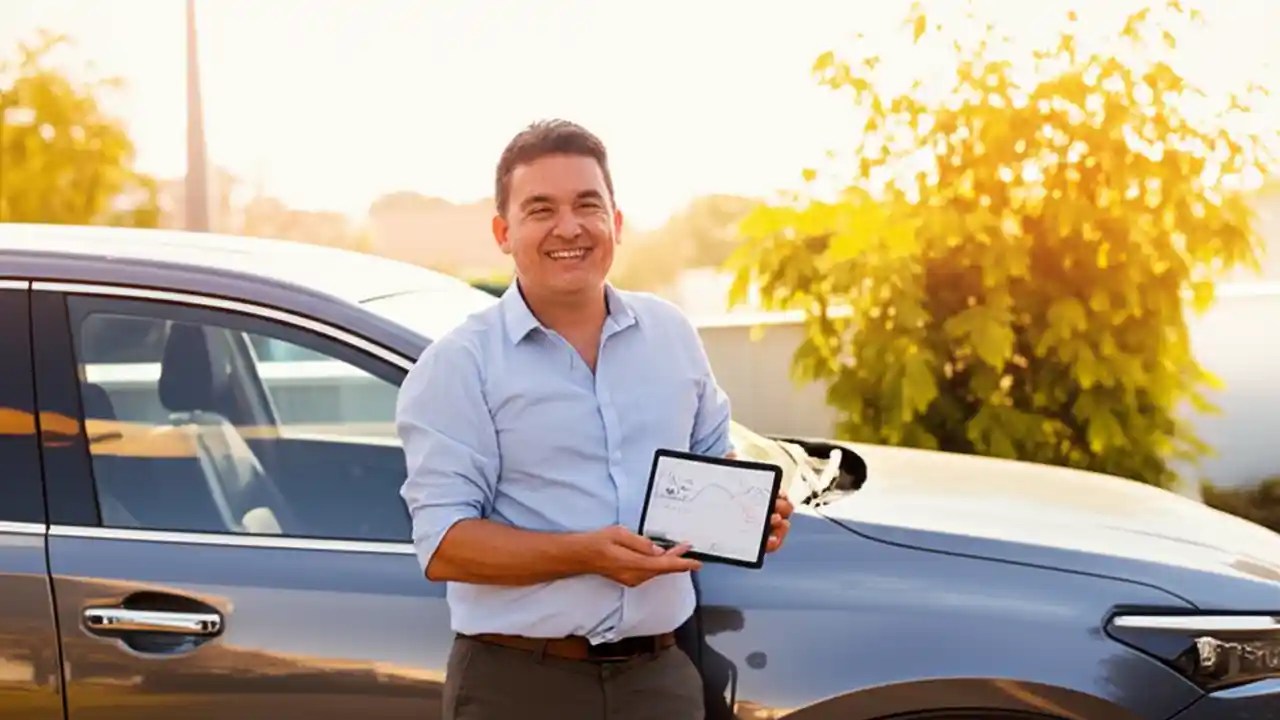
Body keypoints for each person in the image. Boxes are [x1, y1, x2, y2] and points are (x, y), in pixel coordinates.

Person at [396, 119, 793, 720]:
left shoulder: (671, 334)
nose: (569, 227)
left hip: (660, 681)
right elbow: (445, 546)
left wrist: (748, 517)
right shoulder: (458, 366)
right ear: (504, 232)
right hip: (519, 686)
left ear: (617, 222)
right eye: (540, 209)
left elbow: (714, 457)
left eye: (588, 205)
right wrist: (586, 554)